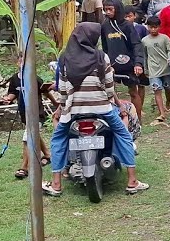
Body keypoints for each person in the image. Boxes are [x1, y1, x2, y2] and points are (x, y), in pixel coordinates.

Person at [43, 22, 148, 196]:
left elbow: (62, 90)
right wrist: (111, 101)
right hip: (102, 110)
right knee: (123, 134)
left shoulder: (65, 58)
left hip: (73, 111)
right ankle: (132, 181)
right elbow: (109, 87)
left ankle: (56, 184)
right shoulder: (101, 57)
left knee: (58, 139)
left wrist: (62, 108)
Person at [1, 51, 59, 179]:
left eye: (27, 62)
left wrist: (56, 103)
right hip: (24, 114)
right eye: (21, 61)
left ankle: (24, 168)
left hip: (36, 113)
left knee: (27, 139)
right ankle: (48, 155)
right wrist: (7, 98)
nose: (23, 64)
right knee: (34, 135)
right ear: (17, 63)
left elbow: (45, 92)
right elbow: (13, 94)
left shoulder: (35, 78)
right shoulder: (15, 79)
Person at [101, 0, 148, 122]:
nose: (108, 12)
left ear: (117, 9)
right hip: (112, 66)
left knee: (133, 92)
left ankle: (137, 120)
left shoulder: (127, 26)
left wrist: (138, 63)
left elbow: (136, 44)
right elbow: (105, 46)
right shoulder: (105, 25)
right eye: (106, 10)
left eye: (110, 9)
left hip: (129, 65)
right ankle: (116, 119)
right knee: (111, 93)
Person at [142, 15, 170, 124]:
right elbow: (144, 56)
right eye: (151, 27)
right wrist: (145, 69)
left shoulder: (164, 38)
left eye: (155, 27)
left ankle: (168, 102)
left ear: (159, 27)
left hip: (165, 69)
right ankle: (162, 113)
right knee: (157, 90)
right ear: (148, 27)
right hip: (153, 70)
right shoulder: (144, 41)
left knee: (168, 88)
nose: (153, 29)